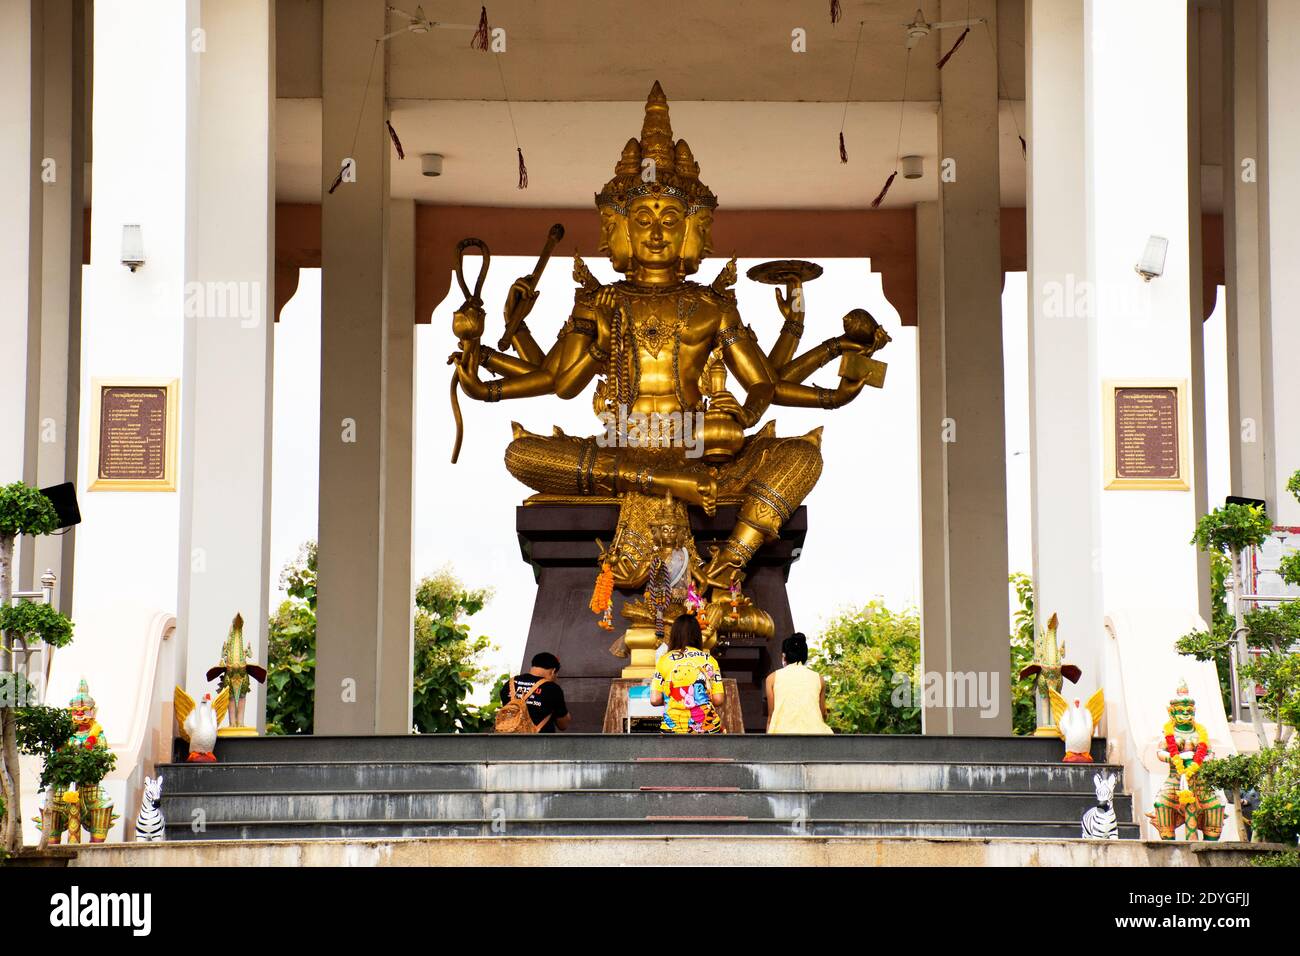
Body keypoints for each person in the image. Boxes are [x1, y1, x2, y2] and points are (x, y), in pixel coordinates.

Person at [650, 615, 724, 734]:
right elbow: (718, 699)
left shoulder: (664, 660)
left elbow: (655, 699)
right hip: (706, 729)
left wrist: (673, 696)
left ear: (674, 635)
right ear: (697, 635)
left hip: (673, 728)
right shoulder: (709, 660)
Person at [765, 633, 833, 734]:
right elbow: (823, 714)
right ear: (805, 656)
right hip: (815, 737)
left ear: (784, 656)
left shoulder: (772, 678)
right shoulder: (818, 678)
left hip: (782, 737)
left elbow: (771, 715)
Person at [498, 652, 571, 733]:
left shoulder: (509, 684)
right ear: (553, 671)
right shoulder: (552, 688)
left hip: (508, 739)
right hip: (540, 742)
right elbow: (563, 725)